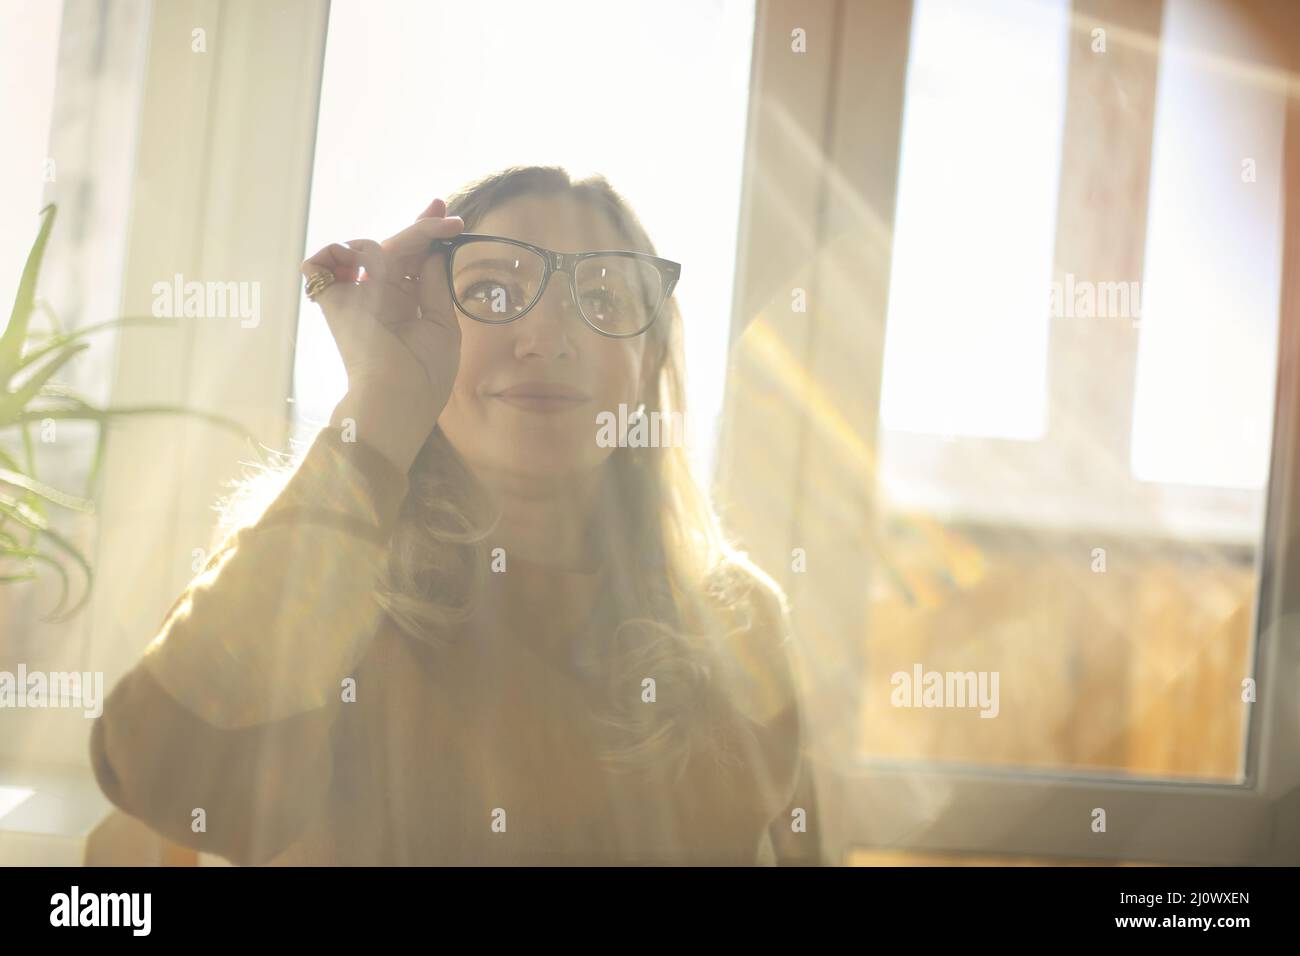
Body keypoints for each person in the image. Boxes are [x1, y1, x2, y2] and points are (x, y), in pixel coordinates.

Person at [89, 165, 823, 865]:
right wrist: (379, 406)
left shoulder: (741, 621)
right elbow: (167, 781)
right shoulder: (317, 578)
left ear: (649, 362)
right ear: (426, 325)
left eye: (602, 301)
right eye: (496, 294)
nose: (547, 339)